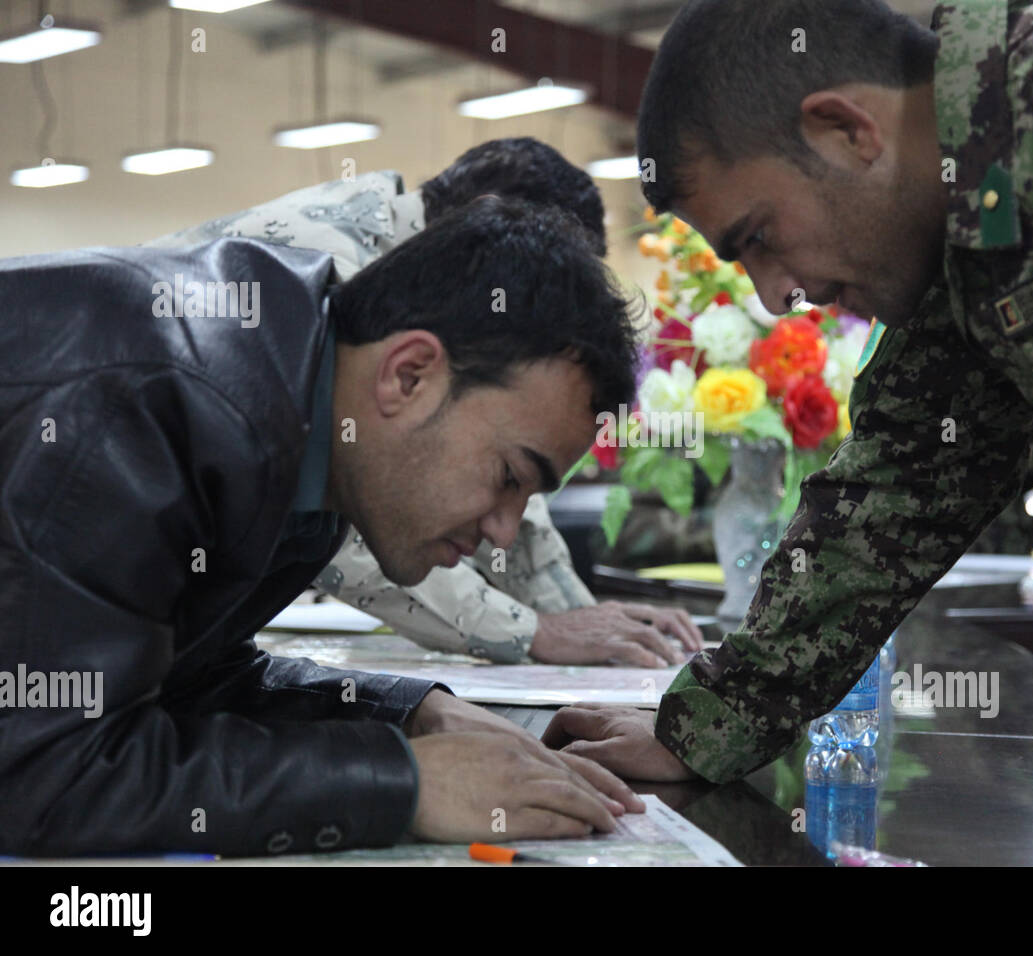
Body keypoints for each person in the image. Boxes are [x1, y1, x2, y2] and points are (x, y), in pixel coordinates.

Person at [544, 0, 1033, 865]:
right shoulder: (970, 217)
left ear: (844, 131)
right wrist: (705, 727)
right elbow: (892, 494)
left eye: (760, 238)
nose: (775, 295)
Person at [0, 196, 646, 856]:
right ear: (409, 374)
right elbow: (47, 773)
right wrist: (403, 782)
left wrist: (410, 715)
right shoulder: (149, 406)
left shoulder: (308, 411)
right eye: (511, 475)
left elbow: (187, 683)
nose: (507, 532)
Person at [151, 137, 702, 666]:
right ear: (493, 230)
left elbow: (502, 476)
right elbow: (361, 507)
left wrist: (588, 622)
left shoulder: (400, 265)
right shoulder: (326, 269)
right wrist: (528, 631)